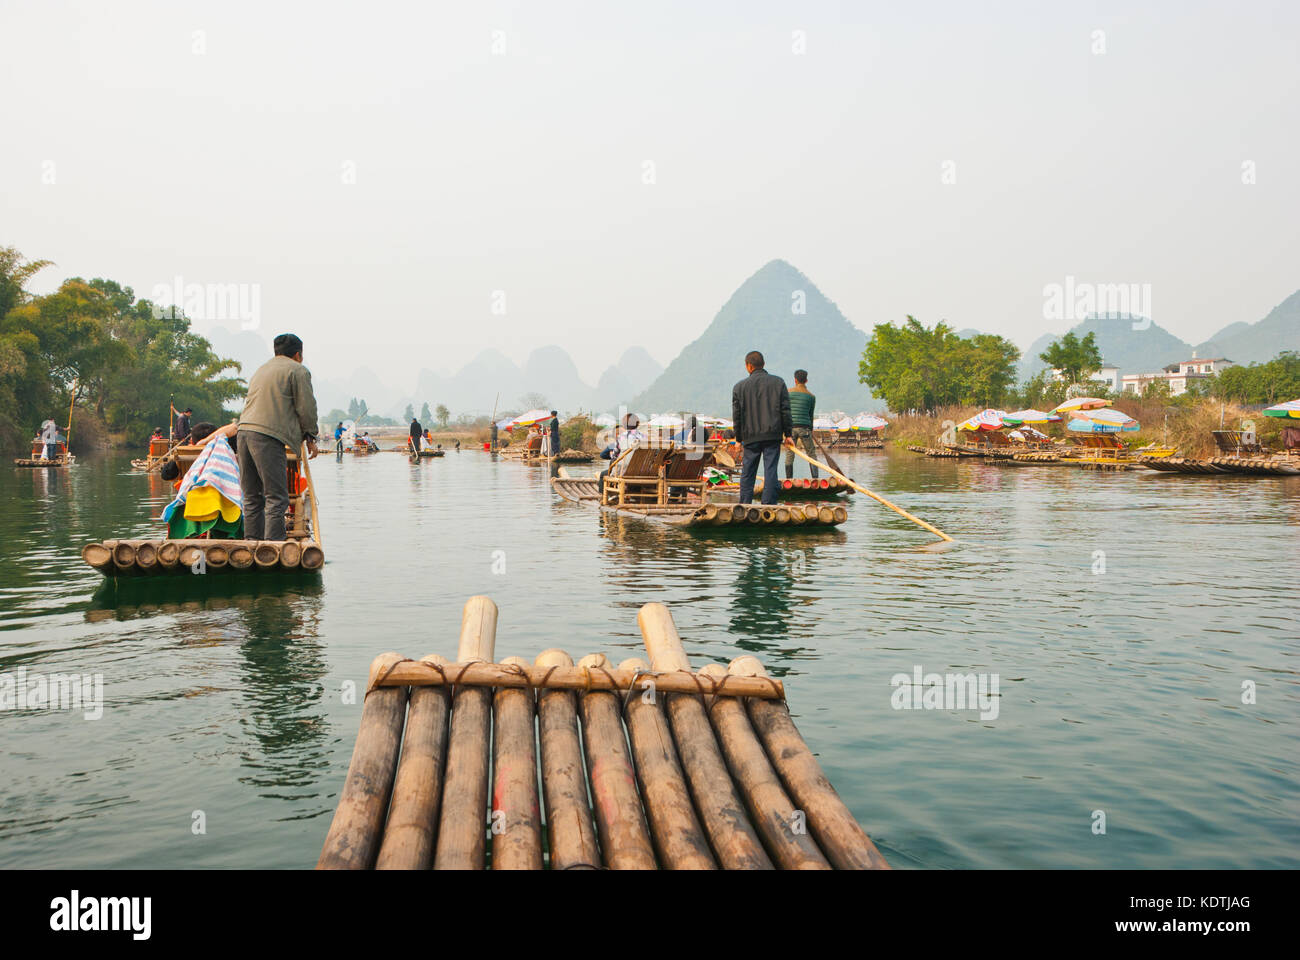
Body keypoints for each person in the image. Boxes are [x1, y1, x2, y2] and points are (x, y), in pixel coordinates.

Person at [236, 333, 319, 541]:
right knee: (276, 498)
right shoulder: (298, 370)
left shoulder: (261, 370)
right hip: (267, 436)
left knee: (252, 497)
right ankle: (273, 549)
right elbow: (306, 408)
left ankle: (251, 544)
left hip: (243, 432)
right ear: (298, 354)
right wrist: (310, 435)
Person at [731, 350, 791, 505]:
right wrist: (788, 434)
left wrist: (738, 439)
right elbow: (785, 410)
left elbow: (737, 417)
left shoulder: (739, 387)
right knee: (770, 470)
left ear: (748, 366)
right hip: (772, 435)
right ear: (763, 364)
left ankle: (744, 504)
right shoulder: (778, 383)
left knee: (748, 471)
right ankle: (769, 505)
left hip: (750, 437)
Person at [785, 369, 819, 480]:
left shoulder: (788, 392)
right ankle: (815, 479)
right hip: (805, 428)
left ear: (795, 380)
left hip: (790, 429)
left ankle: (789, 480)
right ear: (806, 380)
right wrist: (811, 430)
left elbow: (784, 411)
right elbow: (810, 415)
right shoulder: (811, 396)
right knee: (811, 454)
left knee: (790, 454)